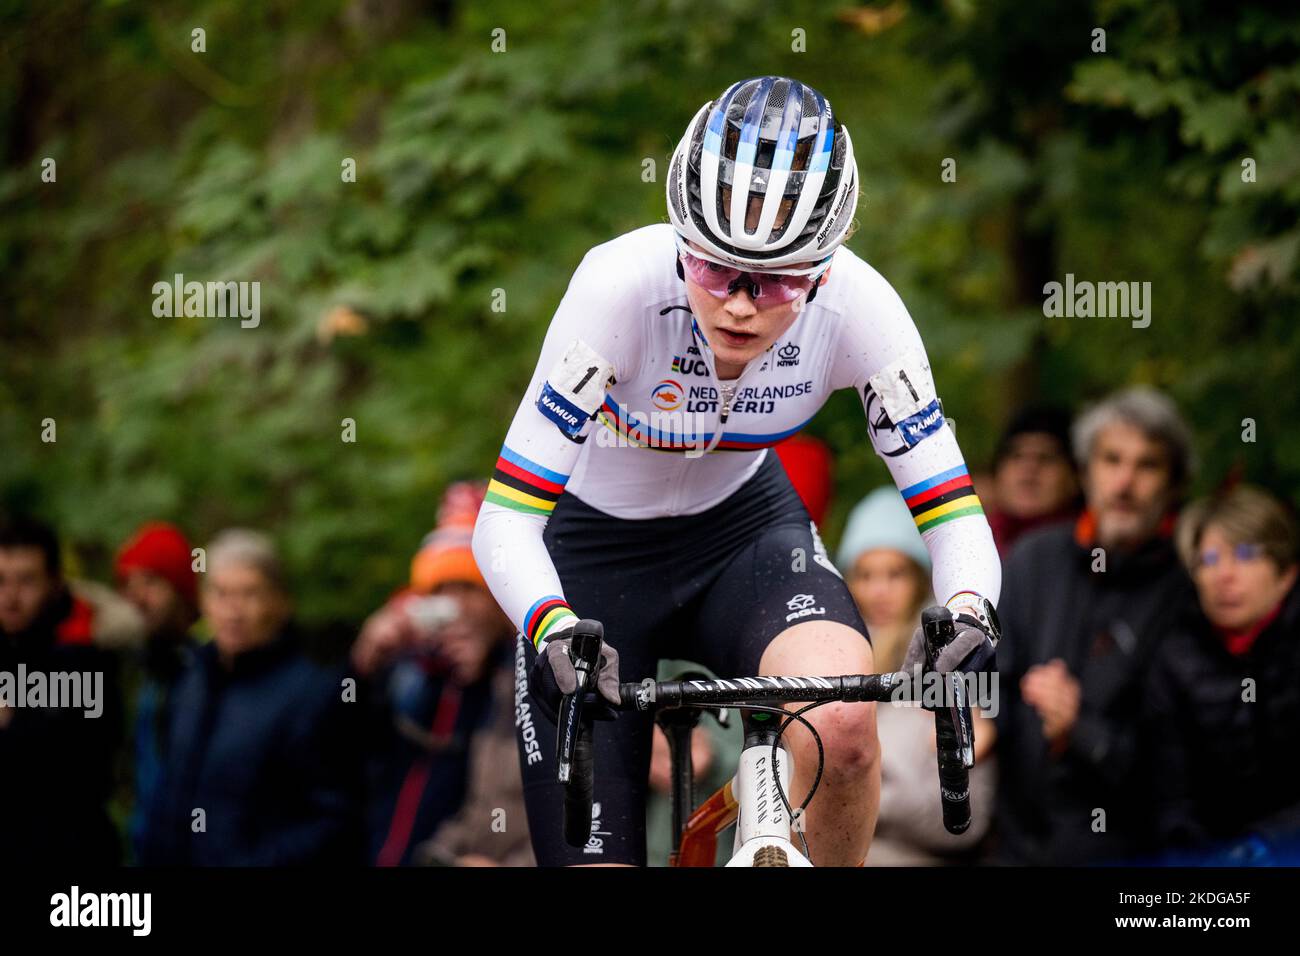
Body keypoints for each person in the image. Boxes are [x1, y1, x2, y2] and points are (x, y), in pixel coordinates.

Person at [472, 75, 1002, 867]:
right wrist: (548, 623)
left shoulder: (862, 308)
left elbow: (953, 511)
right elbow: (505, 519)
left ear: (825, 269)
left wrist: (969, 612)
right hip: (591, 559)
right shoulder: (618, 288)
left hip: (743, 533)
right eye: (716, 271)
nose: (742, 305)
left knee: (845, 724)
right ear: (680, 239)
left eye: (781, 279)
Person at [993, 386, 1195, 864]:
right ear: (1085, 470)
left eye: (1147, 465)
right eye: (1111, 460)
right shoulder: (1032, 559)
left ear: (1174, 483)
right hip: (1011, 846)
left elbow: (1182, 767)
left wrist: (1080, 729)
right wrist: (974, 721)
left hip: (1131, 854)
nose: (1124, 483)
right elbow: (988, 675)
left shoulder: (1187, 590)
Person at [139, 529, 363, 865]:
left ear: (280, 601)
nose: (234, 610)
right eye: (221, 593)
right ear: (203, 600)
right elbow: (169, 793)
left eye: (249, 594)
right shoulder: (192, 680)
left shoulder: (313, 694)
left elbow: (334, 818)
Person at [354, 482, 528, 866]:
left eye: (468, 588)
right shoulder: (415, 667)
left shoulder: (521, 671)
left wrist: (489, 674)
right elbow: (352, 754)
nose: (454, 606)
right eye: (440, 589)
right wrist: (367, 664)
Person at [838, 488, 996, 864]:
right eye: (865, 574)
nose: (879, 590)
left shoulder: (952, 668)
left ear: (921, 579)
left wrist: (853, 793)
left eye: (896, 573)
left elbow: (964, 822)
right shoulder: (825, 663)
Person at [1141, 485, 1300, 855]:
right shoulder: (1174, 658)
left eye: (1245, 554)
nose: (1223, 575)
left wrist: (1268, 842)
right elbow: (1169, 796)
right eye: (1208, 560)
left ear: (1287, 573)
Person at [0, 515, 124, 865]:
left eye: (26, 582)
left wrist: (16, 723)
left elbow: (73, 770)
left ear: (55, 583)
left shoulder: (87, 654)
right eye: (1, 582)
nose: (10, 597)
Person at [114, 520, 201, 861]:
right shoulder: (141, 668)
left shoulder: (207, 669)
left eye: (151, 582)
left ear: (181, 590)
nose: (136, 597)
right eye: (127, 584)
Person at [984, 405, 1081, 555]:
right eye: (1016, 456)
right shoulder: (967, 544)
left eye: (1046, 458)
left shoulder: (1094, 550)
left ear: (1077, 478)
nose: (1028, 468)